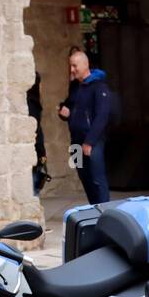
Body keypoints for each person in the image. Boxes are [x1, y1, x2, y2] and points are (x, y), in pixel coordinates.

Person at [59, 49, 111, 204]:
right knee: (84, 178)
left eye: (75, 66)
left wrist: (89, 142)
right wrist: (63, 113)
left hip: (91, 143)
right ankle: (94, 211)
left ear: (85, 64)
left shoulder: (99, 87)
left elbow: (102, 116)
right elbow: (68, 107)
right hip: (75, 142)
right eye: (70, 66)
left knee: (97, 179)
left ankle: (104, 214)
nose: (72, 70)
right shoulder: (75, 87)